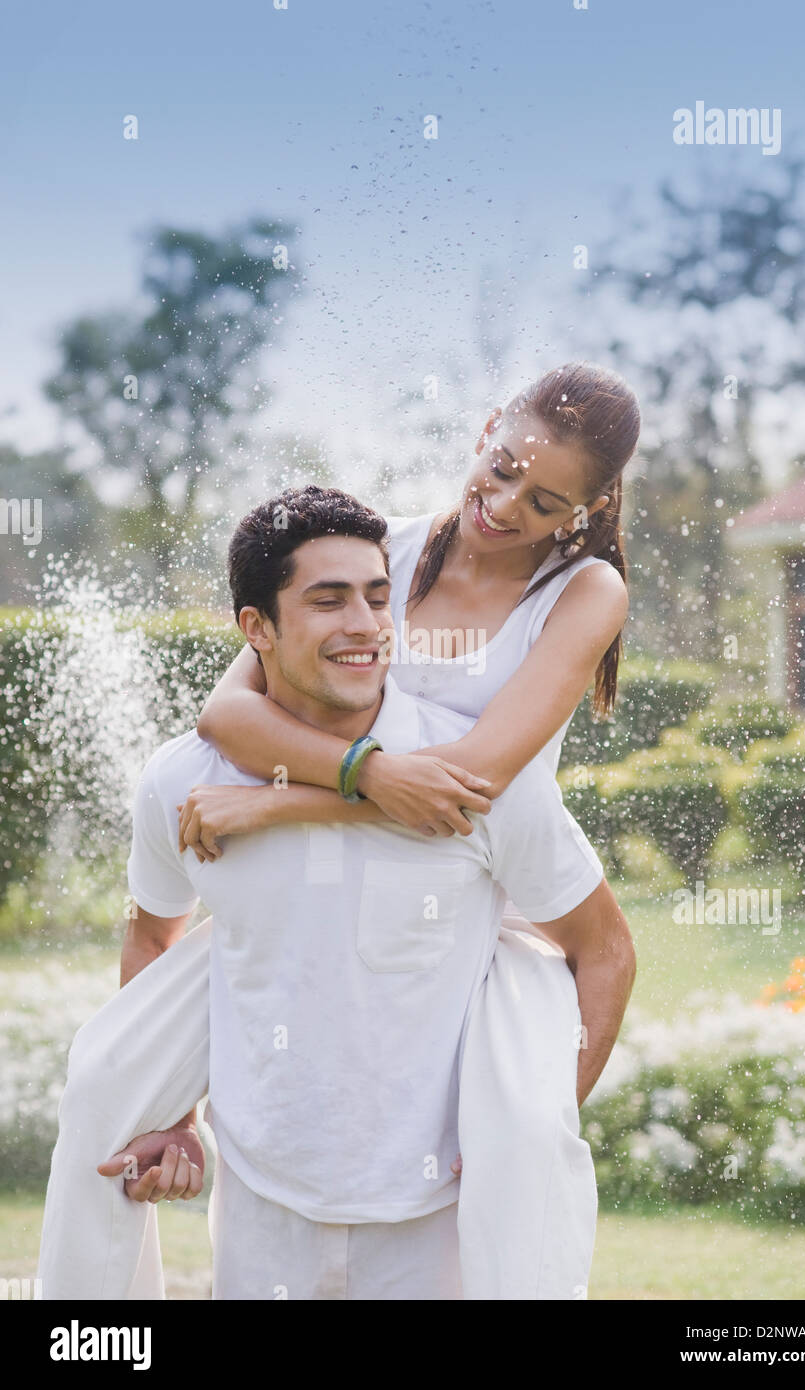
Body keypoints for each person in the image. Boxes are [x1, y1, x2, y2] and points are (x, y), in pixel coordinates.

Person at [110, 359, 640, 1208]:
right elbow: (226, 715)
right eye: (501, 470)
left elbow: (473, 781)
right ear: (486, 429)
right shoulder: (376, 554)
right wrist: (366, 775)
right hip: (345, 882)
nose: (503, 507)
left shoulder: (582, 590)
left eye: (543, 503)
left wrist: (279, 802)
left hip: (478, 878)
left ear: (585, 511)